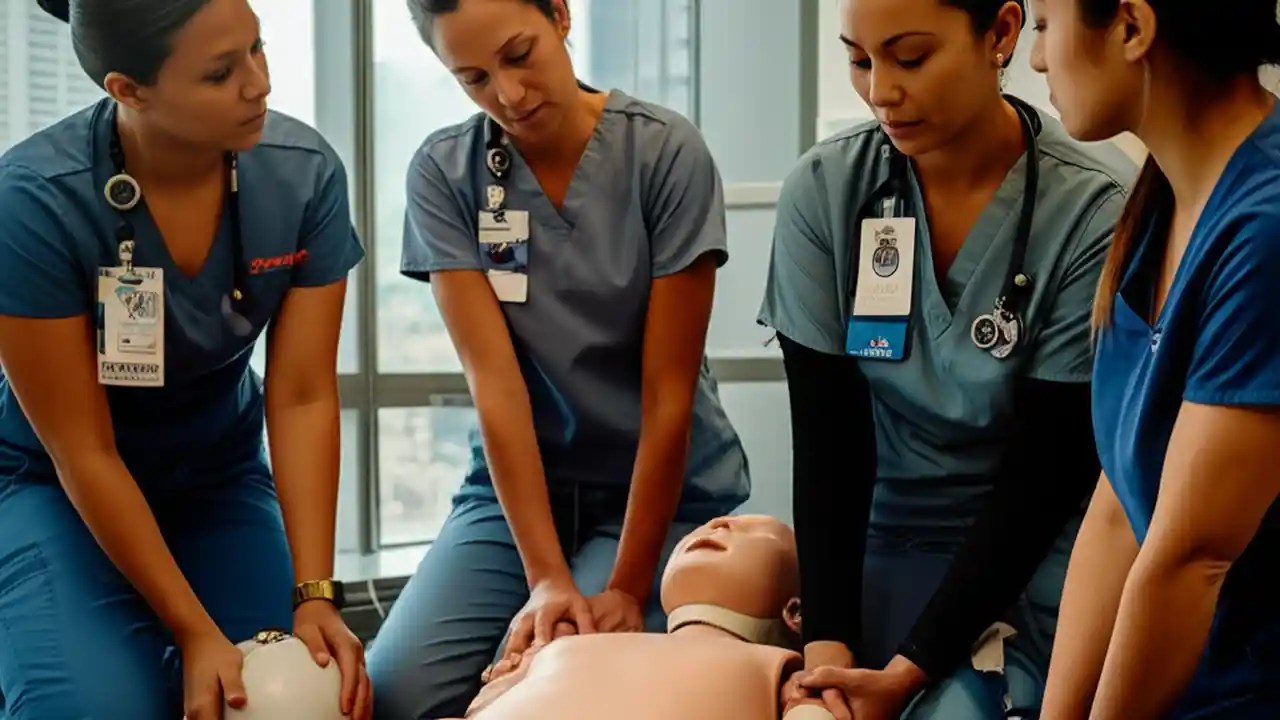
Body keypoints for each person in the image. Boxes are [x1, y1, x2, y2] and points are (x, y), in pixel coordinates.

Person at [364, 0, 750, 717]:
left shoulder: (664, 154)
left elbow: (668, 400)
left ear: (562, 15)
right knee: (399, 692)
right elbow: (496, 388)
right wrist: (546, 579)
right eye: (474, 77)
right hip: (514, 495)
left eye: (519, 54)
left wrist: (627, 591)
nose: (507, 95)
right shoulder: (446, 173)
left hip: (659, 499)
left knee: (566, 688)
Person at [756, 0, 1138, 717]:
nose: (880, 92)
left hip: (1024, 558)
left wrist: (909, 670)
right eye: (860, 59)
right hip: (877, 533)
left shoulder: (1093, 207)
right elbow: (830, 444)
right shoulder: (827, 192)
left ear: (1000, 33)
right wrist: (830, 651)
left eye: (910, 57)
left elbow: (1044, 479)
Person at [0, 1, 370, 719]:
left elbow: (301, 397)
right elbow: (83, 449)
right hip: (52, 483)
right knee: (100, 706)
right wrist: (194, 630)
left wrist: (314, 592)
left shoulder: (303, 176)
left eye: (257, 50)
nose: (258, 83)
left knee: (290, 695)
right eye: (219, 72)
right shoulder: (33, 202)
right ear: (128, 90)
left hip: (216, 479)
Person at [1030, 1, 1280, 717]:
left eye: (1046, 24)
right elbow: (1119, 510)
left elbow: (1189, 560)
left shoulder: (1264, 230)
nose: (1039, 59)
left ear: (1132, 28)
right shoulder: (1161, 201)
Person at [448, 515, 806, 720]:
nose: (718, 525)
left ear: (796, 612)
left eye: (752, 530)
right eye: (707, 526)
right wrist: (510, 676)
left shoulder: (781, 672)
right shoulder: (568, 646)